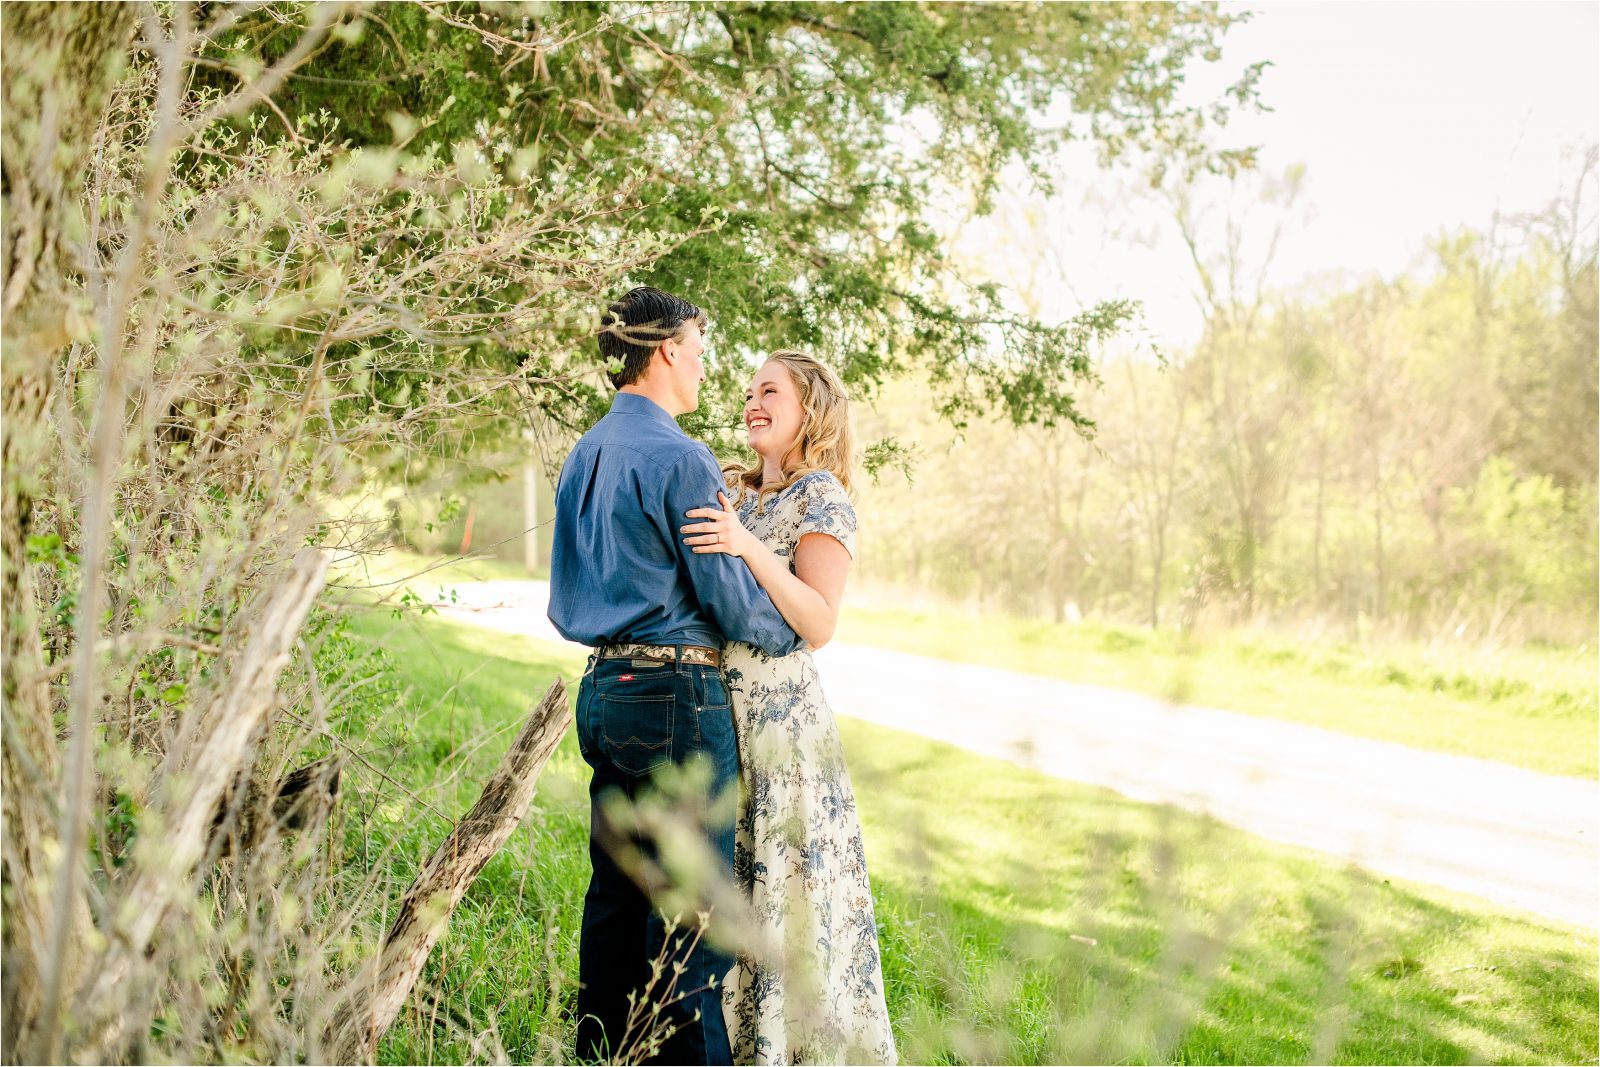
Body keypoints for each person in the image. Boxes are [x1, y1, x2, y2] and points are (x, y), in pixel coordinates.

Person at [548, 287, 805, 1065]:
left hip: (601, 692)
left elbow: (563, 592)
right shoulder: (681, 457)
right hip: (675, 702)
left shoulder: (584, 453)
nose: (702, 365)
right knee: (693, 925)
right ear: (664, 350)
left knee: (616, 906)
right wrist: (791, 624)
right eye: (697, 347)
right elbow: (730, 599)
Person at [679, 351, 897, 1065]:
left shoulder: (822, 497)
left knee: (783, 884)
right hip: (721, 712)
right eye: (747, 391)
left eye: (769, 390)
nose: (751, 402)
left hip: (783, 723)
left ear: (812, 408)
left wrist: (747, 547)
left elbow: (819, 620)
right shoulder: (735, 491)